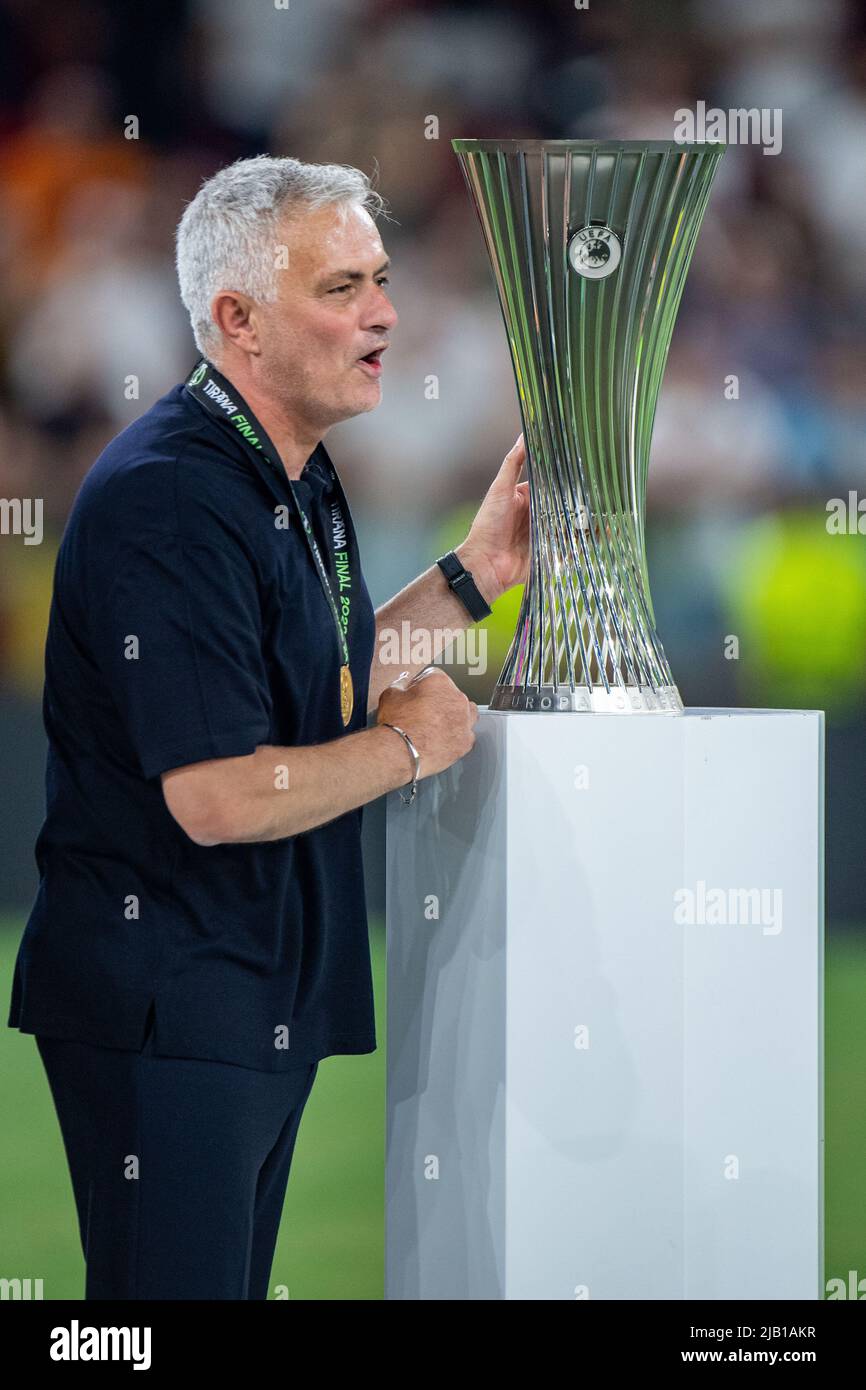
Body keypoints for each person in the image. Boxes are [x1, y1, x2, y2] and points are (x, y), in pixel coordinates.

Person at [7, 154, 529, 1299]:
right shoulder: (174, 496)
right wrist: (404, 750)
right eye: (340, 288)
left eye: (380, 278)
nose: (384, 312)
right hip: (167, 997)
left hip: (237, 986)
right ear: (236, 320)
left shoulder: (284, 464)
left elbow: (314, 682)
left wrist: (474, 576)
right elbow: (217, 793)